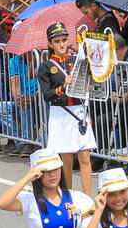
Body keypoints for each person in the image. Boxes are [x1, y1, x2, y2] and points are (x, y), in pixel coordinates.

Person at [37, 22, 95, 194]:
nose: (62, 44)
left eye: (64, 40)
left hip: (79, 111)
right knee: (67, 160)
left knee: (85, 156)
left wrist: (88, 84)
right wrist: (63, 86)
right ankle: (68, 197)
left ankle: (88, 198)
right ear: (50, 44)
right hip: (61, 113)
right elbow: (47, 95)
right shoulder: (46, 67)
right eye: (57, 41)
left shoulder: (76, 61)